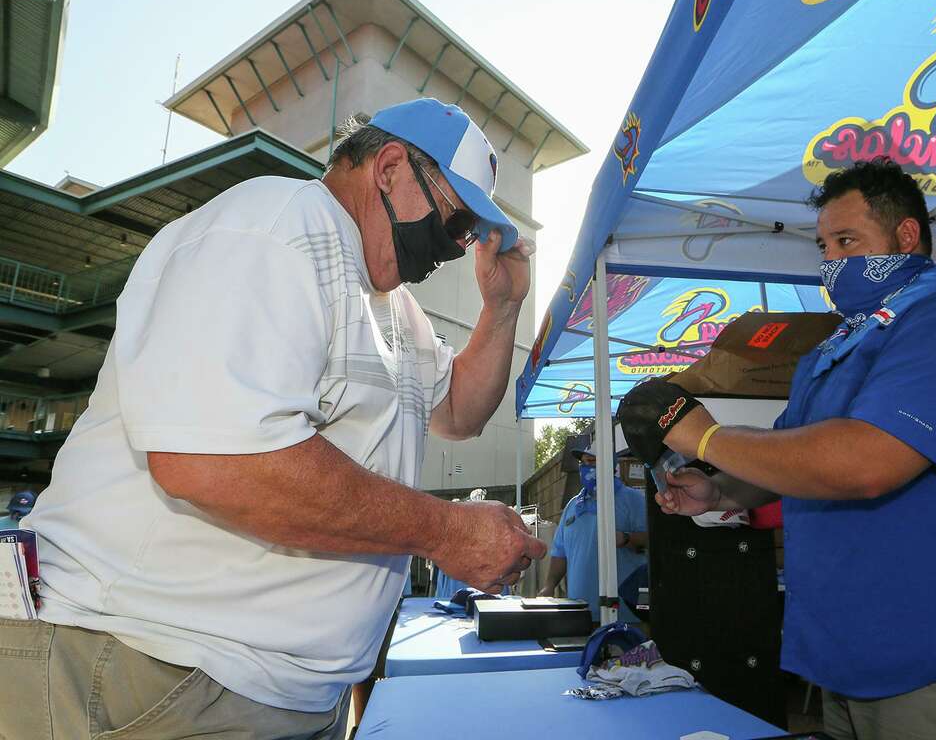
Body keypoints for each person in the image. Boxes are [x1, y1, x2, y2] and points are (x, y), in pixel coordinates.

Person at [3, 98, 547, 740]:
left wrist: (502, 306)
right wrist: (445, 531)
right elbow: (214, 462)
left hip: (268, 692)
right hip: (156, 670)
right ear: (389, 168)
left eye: (467, 236)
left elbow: (457, 411)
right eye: (454, 222)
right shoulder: (275, 226)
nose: (454, 249)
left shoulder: (395, 307)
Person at [619, 157, 936, 740]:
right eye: (824, 246)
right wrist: (718, 489)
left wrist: (703, 435)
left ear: (905, 235)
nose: (831, 261)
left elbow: (864, 465)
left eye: (846, 241)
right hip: (849, 653)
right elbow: (790, 456)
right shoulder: (839, 348)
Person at [539, 442, 648, 623]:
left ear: (608, 465)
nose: (585, 467)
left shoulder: (632, 499)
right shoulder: (573, 506)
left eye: (591, 461)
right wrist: (549, 586)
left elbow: (652, 540)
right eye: (582, 463)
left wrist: (626, 538)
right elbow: (560, 553)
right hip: (580, 615)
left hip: (625, 617)